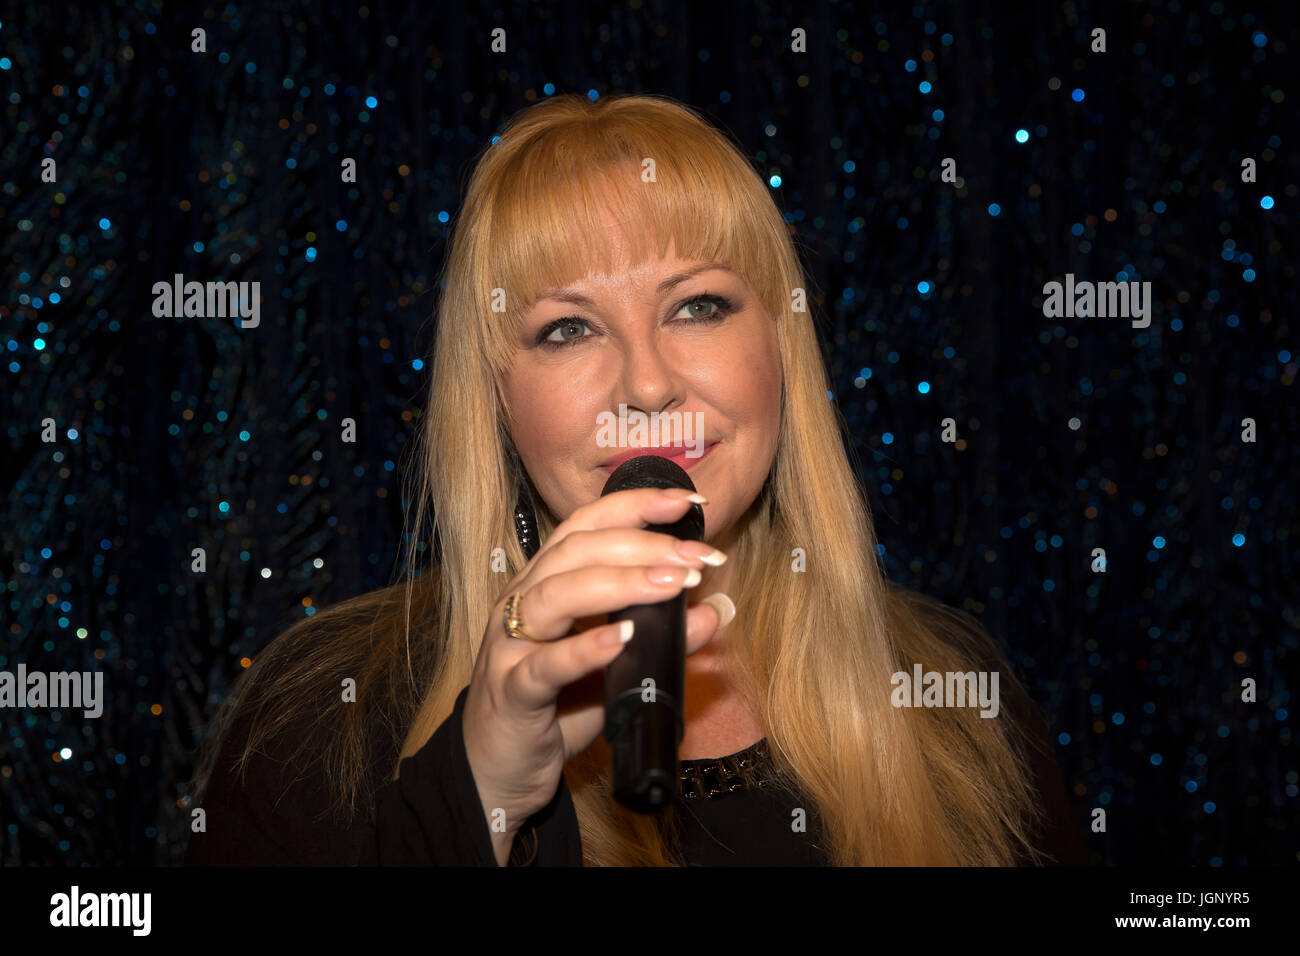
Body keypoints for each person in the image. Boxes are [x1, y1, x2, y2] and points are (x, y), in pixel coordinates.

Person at [185, 92, 1089, 867]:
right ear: (496, 400)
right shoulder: (317, 721)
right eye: (567, 329)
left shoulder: (955, 696)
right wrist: (479, 797)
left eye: (698, 306)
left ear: (780, 348)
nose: (649, 385)